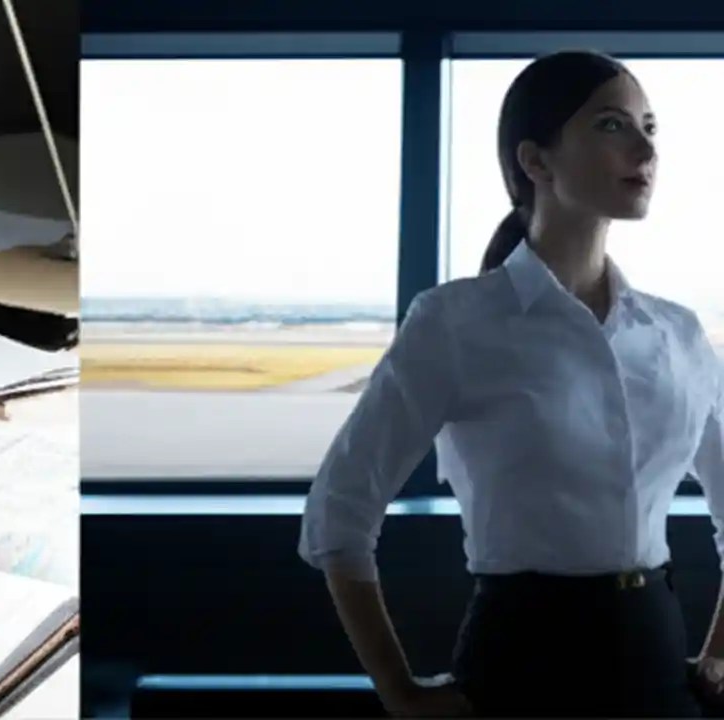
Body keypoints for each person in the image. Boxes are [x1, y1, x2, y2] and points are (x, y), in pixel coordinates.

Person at [299, 50, 724, 717]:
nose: (645, 146)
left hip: (657, 667)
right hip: (522, 663)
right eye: (612, 125)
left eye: (650, 126)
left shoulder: (676, 333)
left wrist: (719, 651)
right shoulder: (455, 322)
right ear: (536, 161)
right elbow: (339, 515)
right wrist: (400, 693)